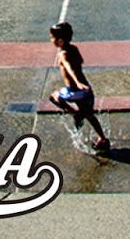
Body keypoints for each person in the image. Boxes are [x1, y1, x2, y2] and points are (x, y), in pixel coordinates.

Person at [47, 22, 110, 152]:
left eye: (52, 37)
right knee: (89, 114)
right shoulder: (74, 48)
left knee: (53, 97)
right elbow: (79, 62)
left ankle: (74, 114)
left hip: (75, 90)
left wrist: (76, 81)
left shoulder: (62, 54)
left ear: (60, 41)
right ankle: (102, 138)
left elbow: (70, 69)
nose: (51, 40)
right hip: (85, 89)